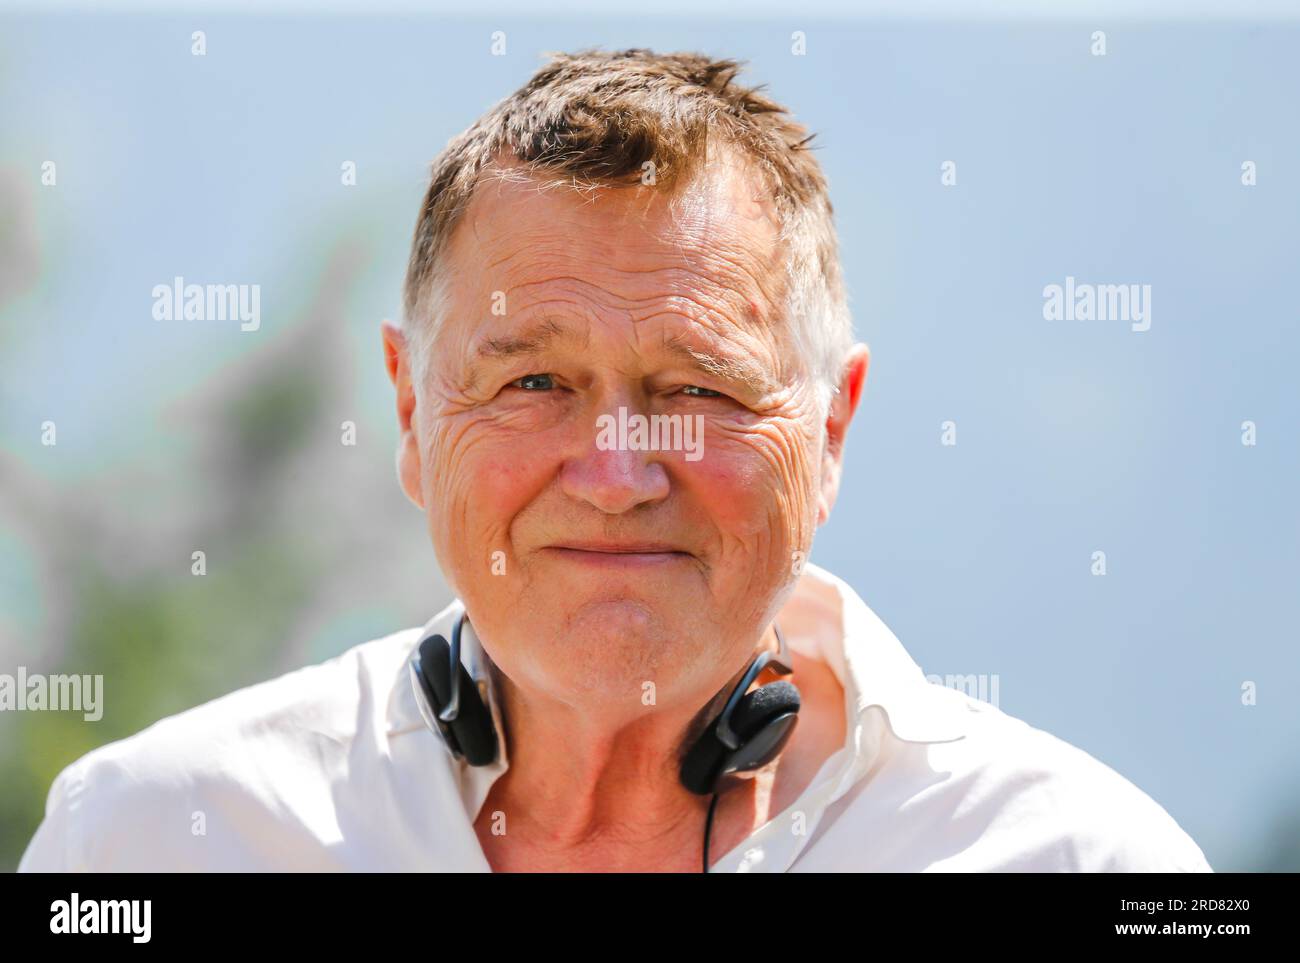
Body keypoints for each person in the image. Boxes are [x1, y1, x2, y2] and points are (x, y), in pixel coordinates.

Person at [20, 48, 1210, 873]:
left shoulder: (1092, 865)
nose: (615, 471)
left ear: (832, 425)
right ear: (407, 411)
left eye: (695, 389)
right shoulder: (143, 839)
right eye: (534, 383)